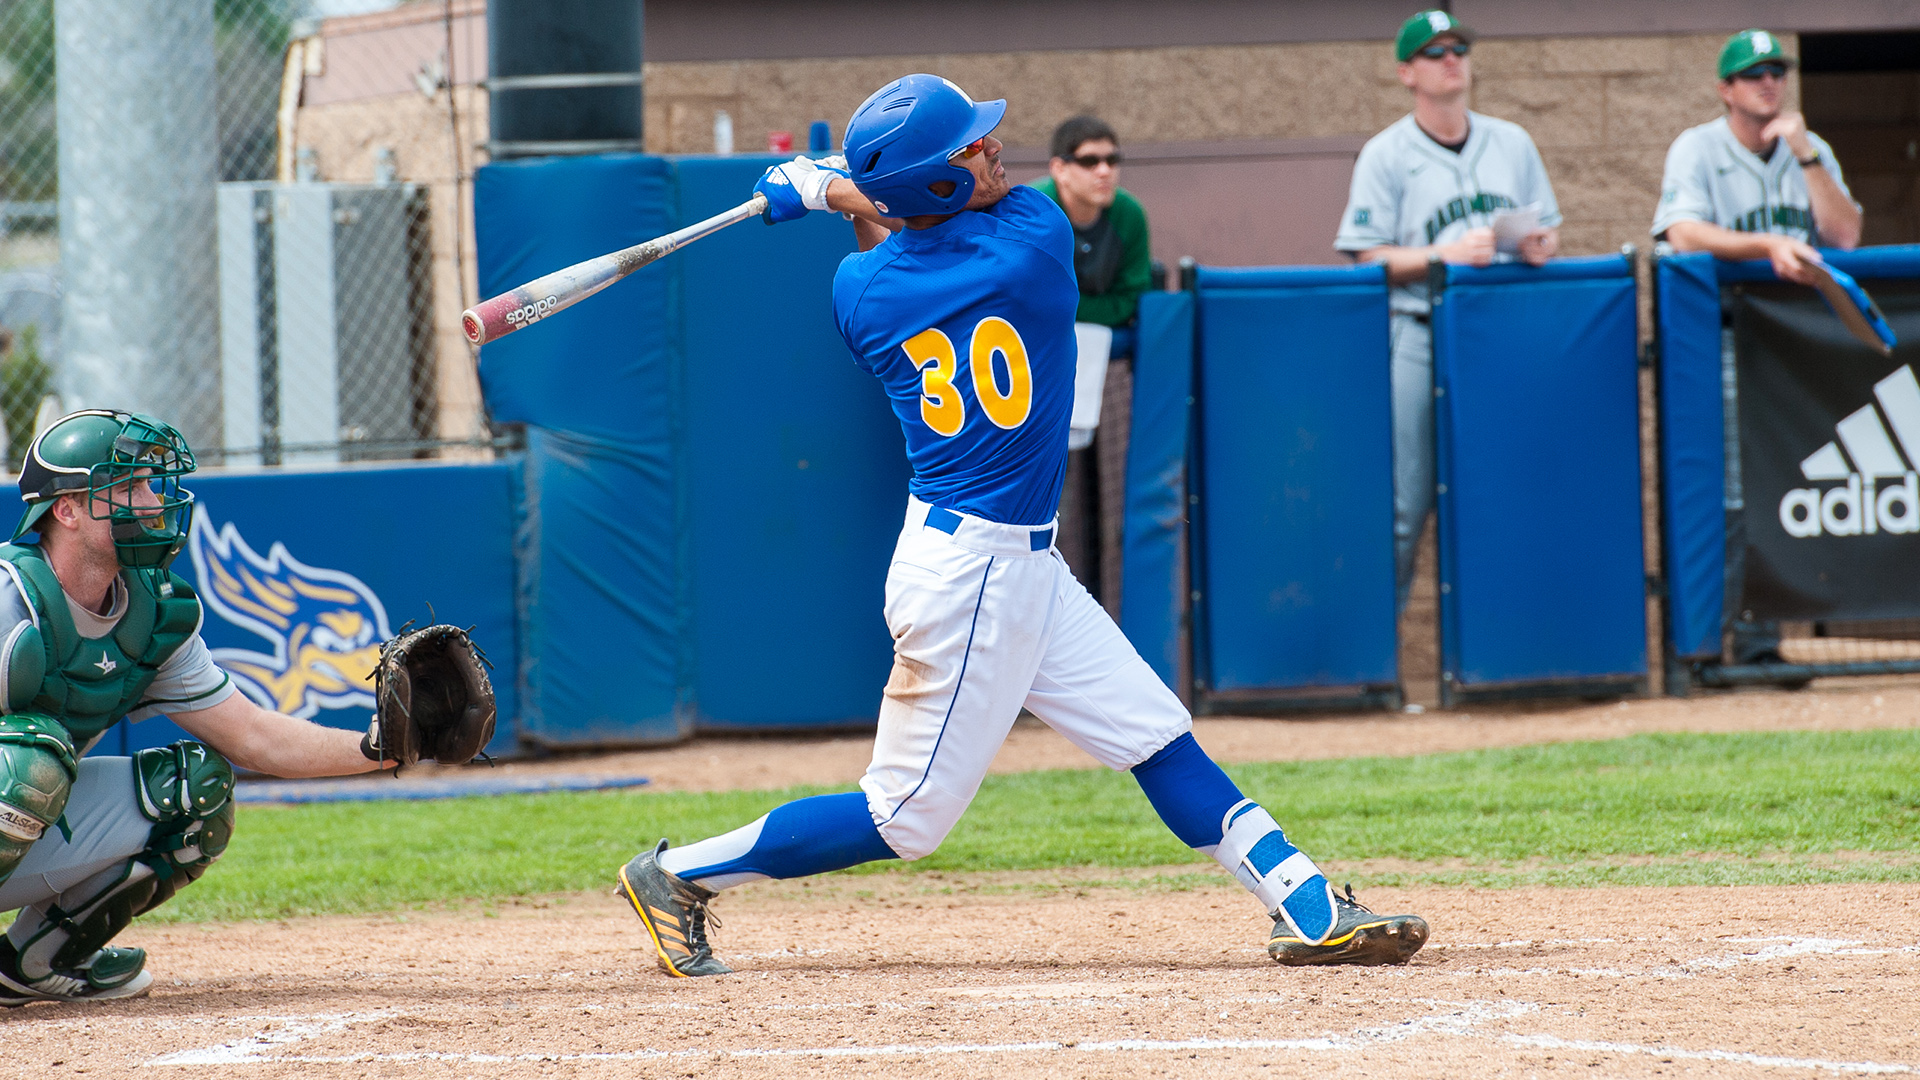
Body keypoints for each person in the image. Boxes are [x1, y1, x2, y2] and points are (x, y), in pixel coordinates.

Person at [615, 74, 1428, 978]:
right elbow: (912, 223)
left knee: (1153, 731)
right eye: (972, 147)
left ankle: (1306, 905)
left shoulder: (858, 296)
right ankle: (678, 875)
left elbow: (891, 243)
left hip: (1007, 563)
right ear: (935, 186)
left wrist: (815, 192)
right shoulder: (1036, 242)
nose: (997, 147)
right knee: (904, 819)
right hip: (974, 579)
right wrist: (836, 186)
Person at [0, 410, 399, 1005]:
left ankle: (27, 967)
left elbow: (254, 737)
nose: (151, 501)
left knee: (194, 792)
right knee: (32, 759)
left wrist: (383, 747)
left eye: (149, 483)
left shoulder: (153, 614)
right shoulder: (12, 601)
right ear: (67, 510)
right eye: (126, 486)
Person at [1335, 9, 1562, 608]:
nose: (1451, 59)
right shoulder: (1385, 154)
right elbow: (1365, 259)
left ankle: (1510, 651)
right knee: (1405, 506)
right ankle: (1377, 664)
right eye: (1435, 53)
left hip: (1501, 335)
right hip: (1419, 330)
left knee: (1506, 493)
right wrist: (1445, 253)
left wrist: (1540, 244)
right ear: (1407, 72)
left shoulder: (1511, 142)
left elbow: (1551, 230)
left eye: (1458, 48)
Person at [1652, 29, 1863, 670]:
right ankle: (1714, 649)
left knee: (1784, 487)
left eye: (1776, 71)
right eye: (1753, 74)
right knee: (1730, 493)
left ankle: (1759, 644)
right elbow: (1682, 232)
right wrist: (1765, 246)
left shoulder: (1811, 150)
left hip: (1793, 349)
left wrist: (1804, 155)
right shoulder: (1698, 148)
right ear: (1726, 90)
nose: (1768, 82)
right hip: (1719, 339)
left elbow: (1846, 234)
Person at [1029, 115, 1152, 608]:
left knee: (1101, 496)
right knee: (1045, 495)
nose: (1104, 171)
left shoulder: (1128, 216)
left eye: (1112, 160)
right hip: (1032, 374)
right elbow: (1025, 297)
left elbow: (1132, 298)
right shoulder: (1036, 209)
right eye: (1089, 161)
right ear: (1060, 168)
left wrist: (1070, 308)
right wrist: (1068, 310)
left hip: (1101, 372)